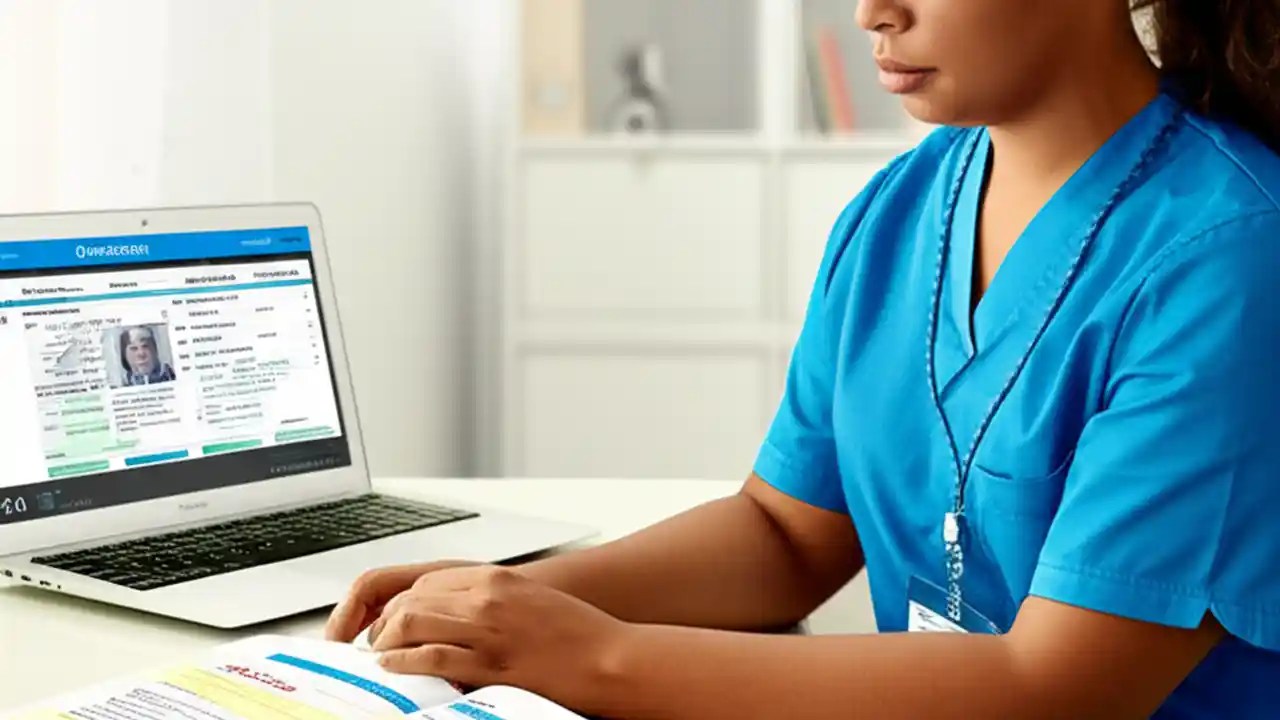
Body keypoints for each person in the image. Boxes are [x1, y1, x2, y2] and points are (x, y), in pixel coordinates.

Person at [328, 1, 1280, 717]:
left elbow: (1060, 689)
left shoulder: (1233, 257)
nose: (872, 12)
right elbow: (784, 534)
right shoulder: (898, 210)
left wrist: (594, 656)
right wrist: (512, 600)